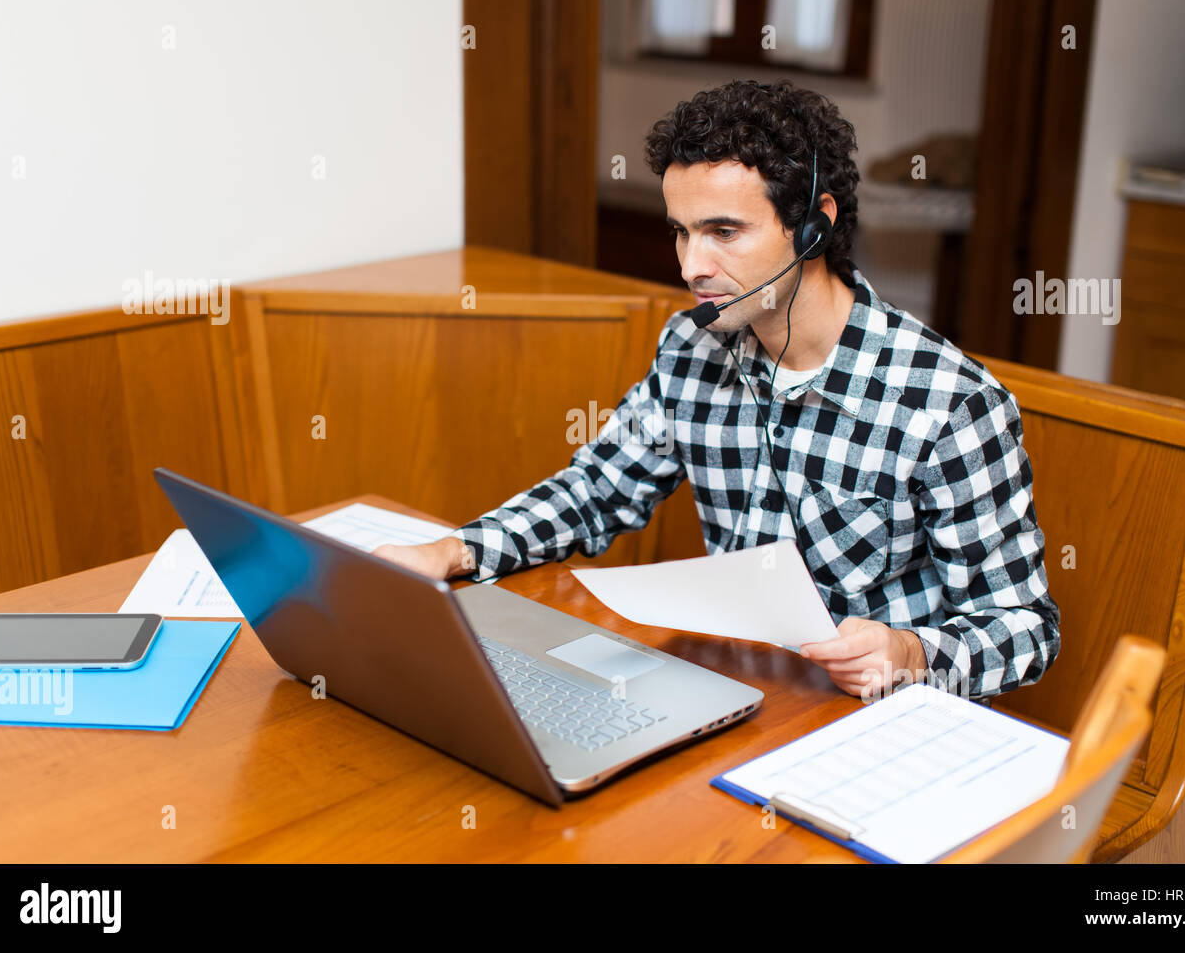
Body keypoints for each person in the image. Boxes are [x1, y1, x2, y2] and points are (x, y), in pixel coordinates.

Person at [374, 79, 1059, 701]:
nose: (693, 266)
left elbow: (1025, 628)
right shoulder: (691, 346)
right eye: (681, 232)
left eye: (724, 232)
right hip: (730, 689)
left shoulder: (949, 403)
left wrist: (910, 651)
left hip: (868, 719)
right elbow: (597, 491)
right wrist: (454, 551)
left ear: (814, 224)